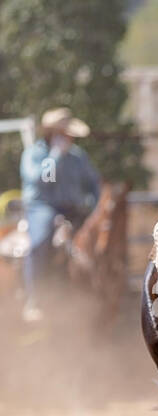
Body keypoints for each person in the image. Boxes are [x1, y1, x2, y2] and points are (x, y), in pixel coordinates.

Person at [18, 108, 101, 323]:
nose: (70, 138)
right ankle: (33, 300)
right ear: (53, 133)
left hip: (73, 209)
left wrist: (93, 203)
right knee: (40, 239)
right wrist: (56, 156)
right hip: (42, 207)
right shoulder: (35, 153)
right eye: (65, 133)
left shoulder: (77, 156)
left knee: (99, 240)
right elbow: (42, 179)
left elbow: (94, 182)